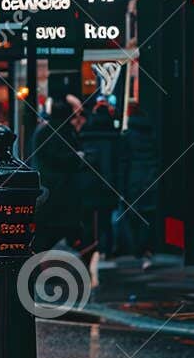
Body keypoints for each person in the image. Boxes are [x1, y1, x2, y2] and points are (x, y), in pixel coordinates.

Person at [32, 100, 85, 254]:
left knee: (50, 228)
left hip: (49, 186)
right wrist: (77, 157)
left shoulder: (44, 130)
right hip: (59, 187)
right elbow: (59, 157)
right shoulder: (61, 131)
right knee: (60, 227)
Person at [79, 98, 123, 262]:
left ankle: (89, 246)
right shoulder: (114, 136)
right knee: (106, 219)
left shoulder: (85, 133)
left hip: (88, 183)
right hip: (108, 182)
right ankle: (107, 249)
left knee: (89, 219)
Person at [118, 103, 159, 268]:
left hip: (133, 180)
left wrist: (120, 185)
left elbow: (123, 163)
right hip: (150, 178)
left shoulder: (127, 137)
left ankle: (137, 248)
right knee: (147, 214)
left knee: (133, 215)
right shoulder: (151, 134)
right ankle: (146, 246)